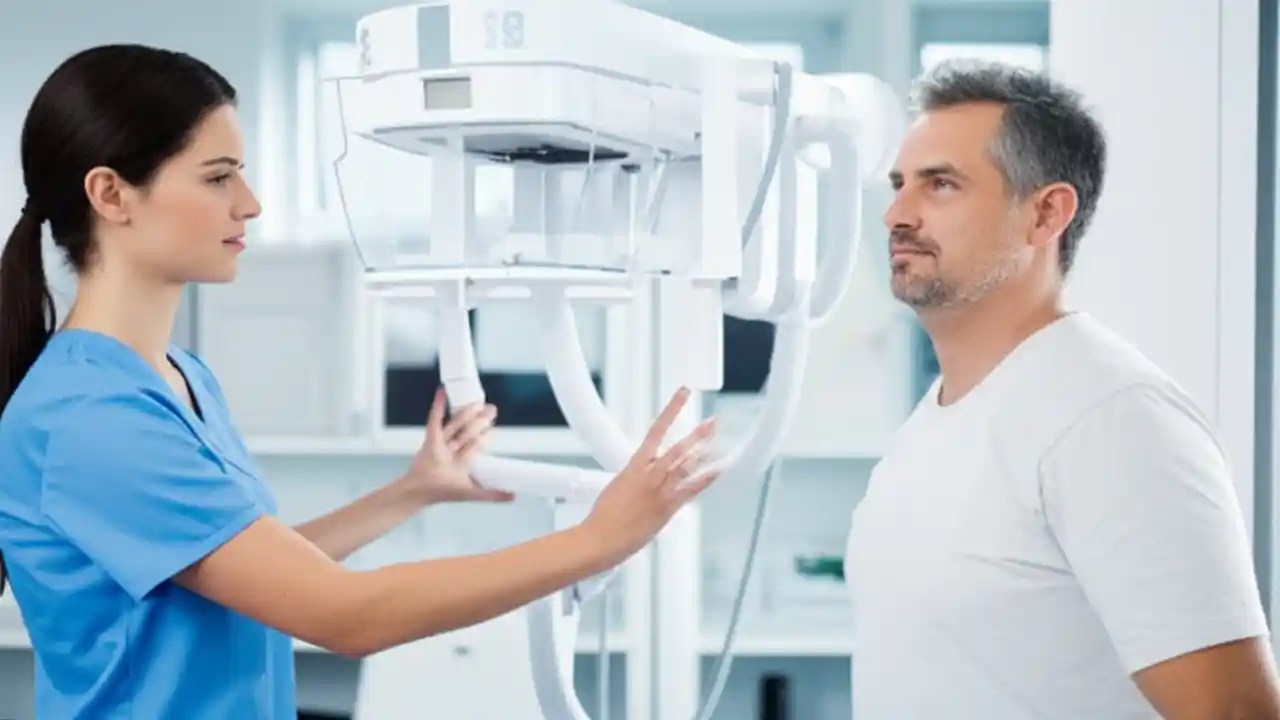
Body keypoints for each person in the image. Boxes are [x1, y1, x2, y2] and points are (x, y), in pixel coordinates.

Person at [0, 44, 719, 718]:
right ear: (112, 194)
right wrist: (599, 540)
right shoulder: (89, 417)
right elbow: (342, 615)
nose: (248, 203)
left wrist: (415, 490)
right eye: (218, 176)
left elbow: (250, 567)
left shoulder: (178, 377)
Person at [844, 59, 1280, 719]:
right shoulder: (936, 419)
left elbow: (1234, 712)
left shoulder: (1112, 419)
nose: (897, 214)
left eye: (940, 185)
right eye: (899, 184)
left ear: (1046, 214)